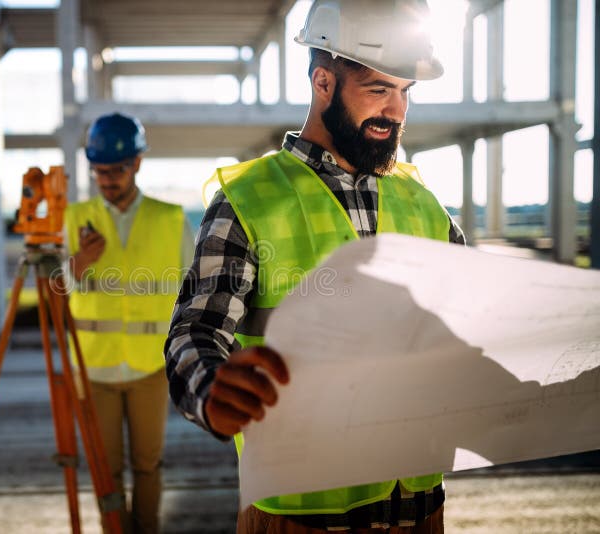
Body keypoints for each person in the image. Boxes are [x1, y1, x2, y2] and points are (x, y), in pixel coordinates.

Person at [165, 1, 466, 532]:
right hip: (300, 514)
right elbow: (196, 330)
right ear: (323, 82)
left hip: (418, 508)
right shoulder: (250, 200)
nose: (395, 112)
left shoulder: (422, 201)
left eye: (404, 93)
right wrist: (211, 391)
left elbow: (475, 314)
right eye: (378, 90)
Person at [64, 112, 194, 534]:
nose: (107, 180)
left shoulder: (170, 218)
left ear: (137, 164)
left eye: (116, 170)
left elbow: (194, 292)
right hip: (92, 366)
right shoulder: (73, 219)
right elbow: (51, 293)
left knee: (147, 465)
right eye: (100, 171)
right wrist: (80, 263)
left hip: (150, 366)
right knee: (107, 471)